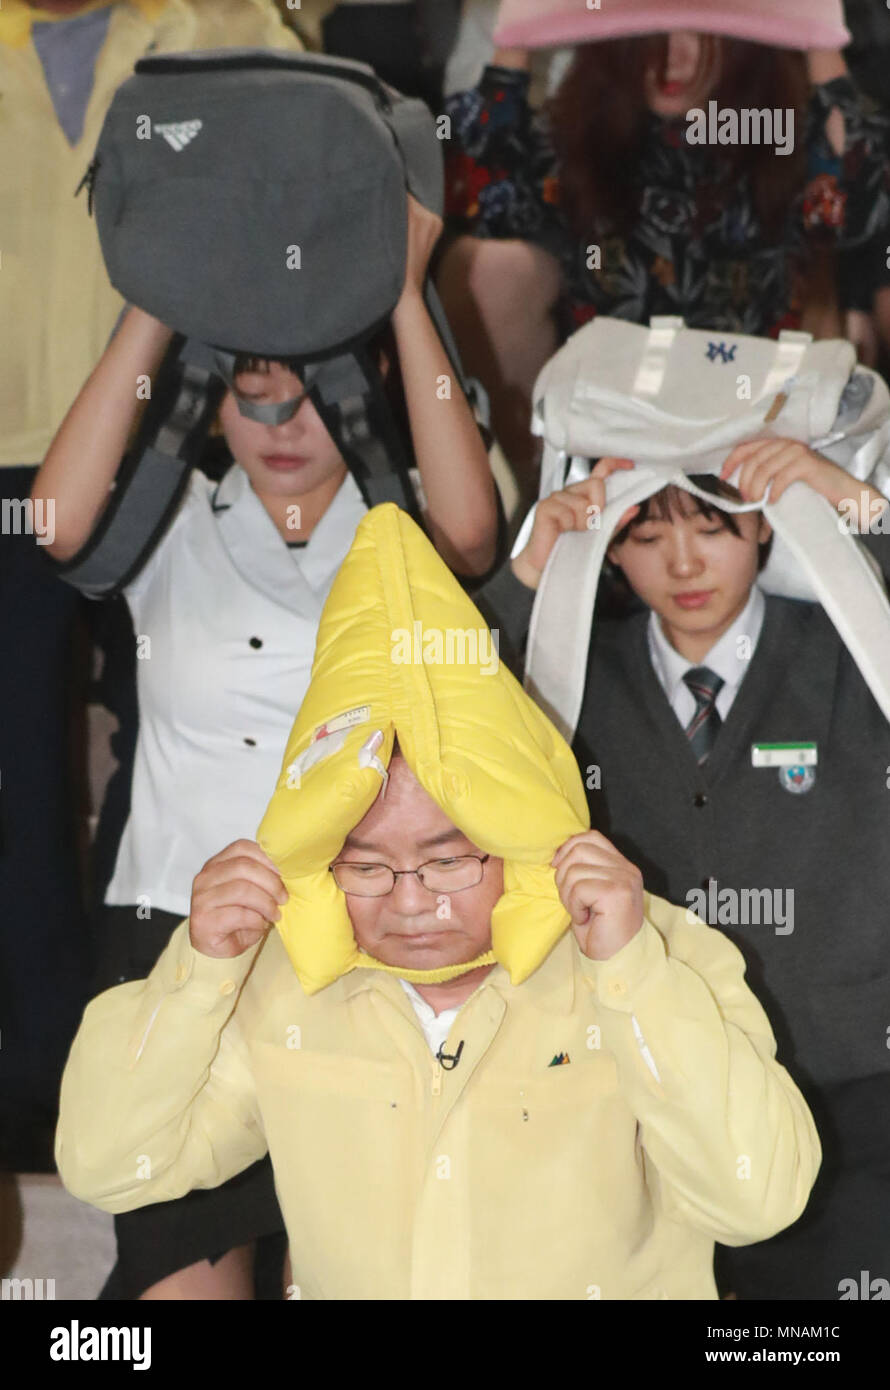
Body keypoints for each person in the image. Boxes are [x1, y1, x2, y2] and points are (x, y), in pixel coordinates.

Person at [54, 501, 820, 1300]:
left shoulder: (653, 953)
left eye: (450, 859)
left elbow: (757, 1198)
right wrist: (198, 975)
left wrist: (632, 979)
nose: (410, 902)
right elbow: (108, 1166)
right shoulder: (276, 983)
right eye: (366, 867)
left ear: (521, 834)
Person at [31, 191, 498, 1300]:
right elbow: (50, 525)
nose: (281, 431)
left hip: (373, 939)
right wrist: (159, 291)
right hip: (174, 937)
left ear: (360, 391)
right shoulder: (166, 518)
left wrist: (396, 290)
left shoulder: (404, 529)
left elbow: (478, 532)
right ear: (211, 409)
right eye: (248, 403)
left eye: (306, 402)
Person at [475, 439, 890, 1299]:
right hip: (644, 1085)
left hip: (850, 1081)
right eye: (649, 536)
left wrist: (856, 507)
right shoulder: (569, 666)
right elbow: (448, 712)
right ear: (612, 549)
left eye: (715, 528)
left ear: (769, 529)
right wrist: (527, 579)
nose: (685, 563)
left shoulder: (856, 644)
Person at [0, 0, 300, 1175]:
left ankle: (148, 1022)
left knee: (178, 739)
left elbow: (318, 180)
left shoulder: (223, 22)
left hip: (182, 438)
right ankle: (39, 1074)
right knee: (18, 765)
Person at [436, 3, 890, 492]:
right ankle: (542, 493)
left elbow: (862, 192)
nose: (675, 57)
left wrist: (813, 27)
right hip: (612, 435)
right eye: (651, 31)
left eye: (701, 32)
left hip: (754, 439)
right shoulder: (578, 134)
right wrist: (521, 30)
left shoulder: (780, 132)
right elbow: (484, 195)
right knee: (482, 264)